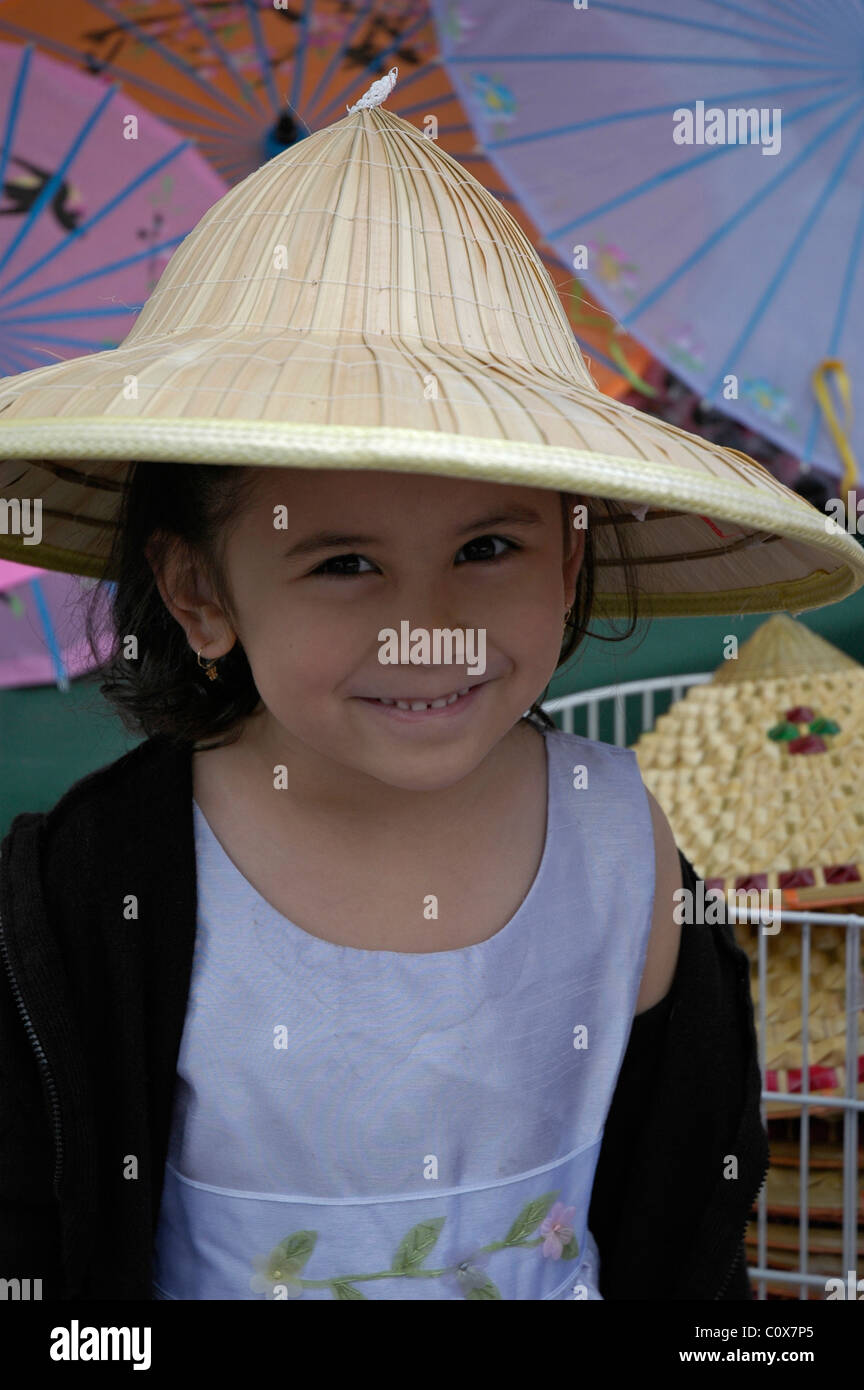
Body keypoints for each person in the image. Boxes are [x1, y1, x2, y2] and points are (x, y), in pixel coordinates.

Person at [2, 73, 858, 1302]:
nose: (428, 627)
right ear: (198, 594)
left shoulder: (626, 842)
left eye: (487, 548)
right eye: (342, 562)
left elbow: (688, 1206)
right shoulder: (94, 886)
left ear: (569, 560)